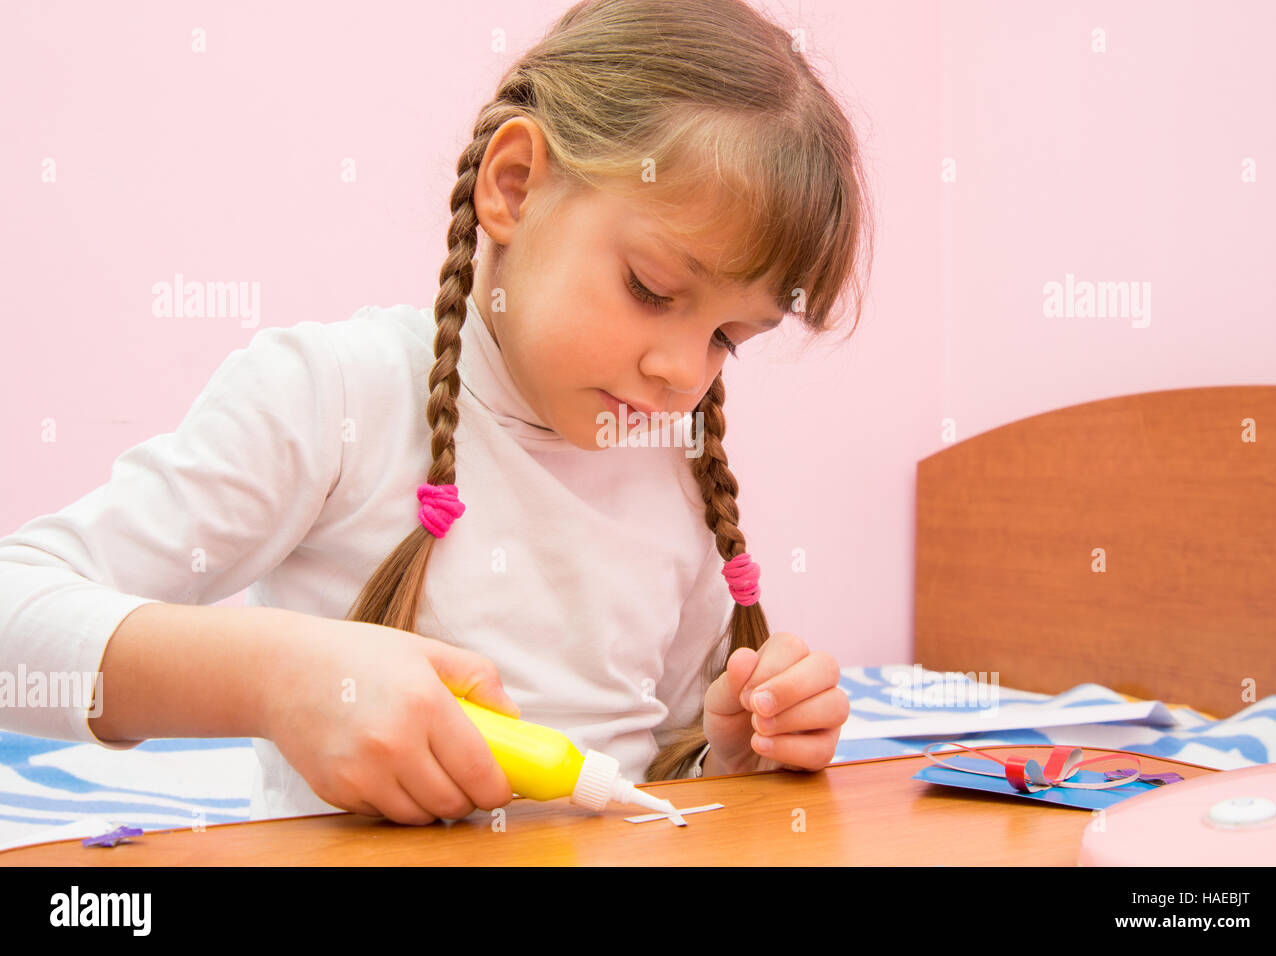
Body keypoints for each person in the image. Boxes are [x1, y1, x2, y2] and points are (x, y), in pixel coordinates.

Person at [0, 0, 873, 826]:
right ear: (517, 184)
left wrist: (732, 756)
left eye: (730, 337)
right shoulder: (333, 395)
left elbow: (645, 772)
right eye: (651, 289)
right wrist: (275, 678)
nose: (682, 372)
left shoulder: (674, 469)